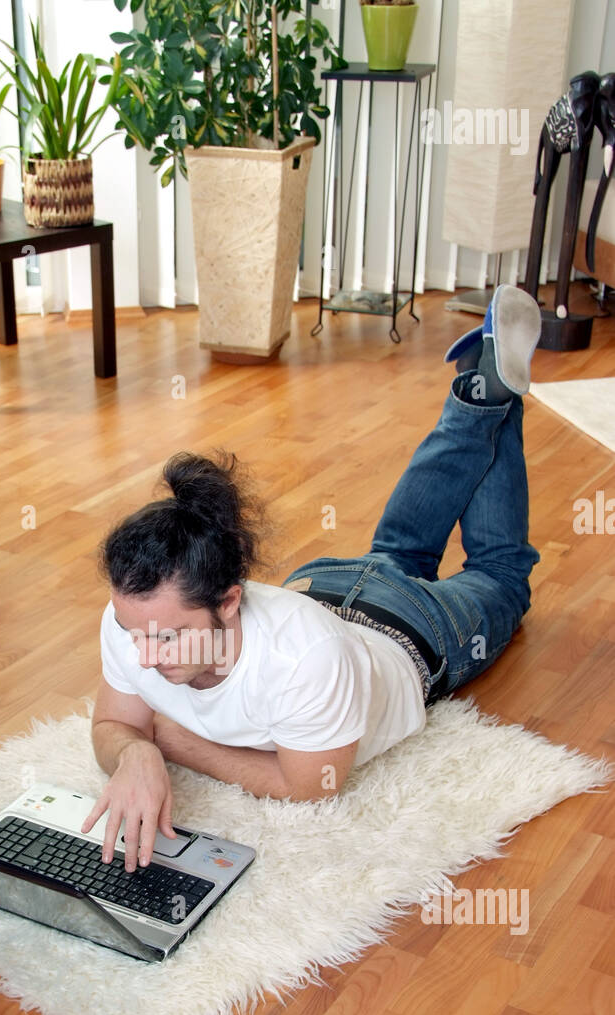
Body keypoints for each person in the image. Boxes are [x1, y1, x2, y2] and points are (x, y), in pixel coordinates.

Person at [81, 284, 543, 872]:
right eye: (131, 632)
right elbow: (113, 723)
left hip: (409, 628)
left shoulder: (305, 658)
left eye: (168, 637)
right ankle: (483, 387)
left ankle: (490, 396)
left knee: (500, 575)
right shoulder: (139, 617)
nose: (143, 656)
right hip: (318, 586)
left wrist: (167, 742)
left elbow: (311, 785)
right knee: (399, 546)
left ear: (228, 601)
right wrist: (135, 754)